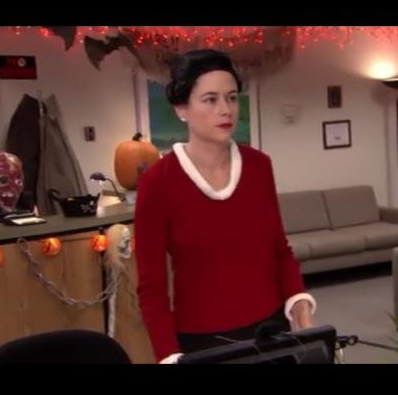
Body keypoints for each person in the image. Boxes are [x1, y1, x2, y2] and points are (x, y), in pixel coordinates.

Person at [134, 49, 316, 363]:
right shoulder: (157, 182)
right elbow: (151, 287)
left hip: (272, 332)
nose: (225, 109)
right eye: (210, 99)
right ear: (181, 109)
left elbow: (279, 250)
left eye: (231, 98)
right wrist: (168, 354)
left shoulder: (259, 166)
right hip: (203, 343)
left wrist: (299, 302)